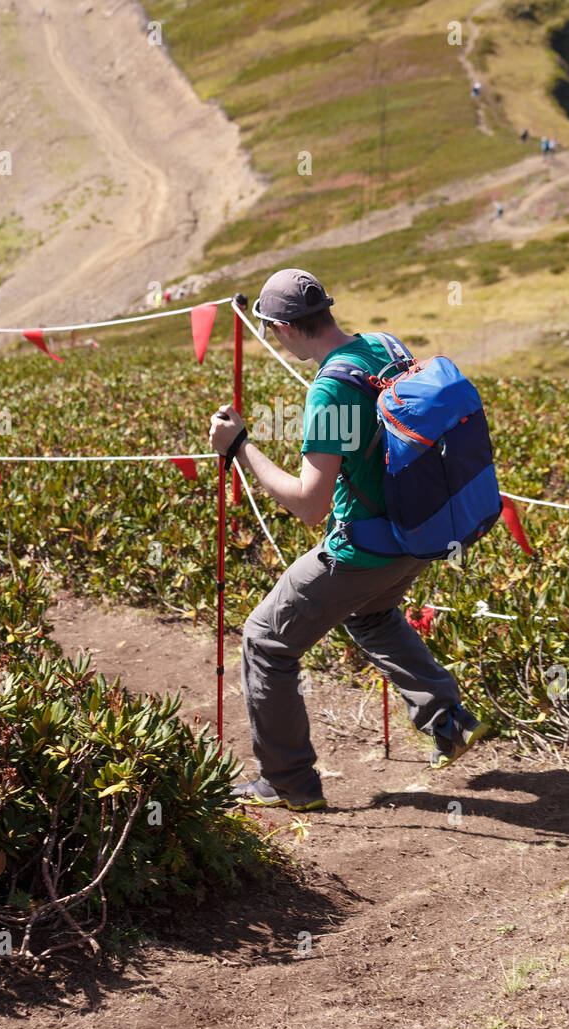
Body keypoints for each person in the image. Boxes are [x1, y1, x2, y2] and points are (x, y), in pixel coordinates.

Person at [208, 269, 488, 812]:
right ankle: (449, 721)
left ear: (284, 327)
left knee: (265, 639)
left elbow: (309, 506)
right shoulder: (385, 346)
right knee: (371, 616)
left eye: (269, 329)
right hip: (419, 535)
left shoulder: (331, 389)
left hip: (364, 549)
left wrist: (240, 446)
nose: (270, 338)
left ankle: (287, 782)